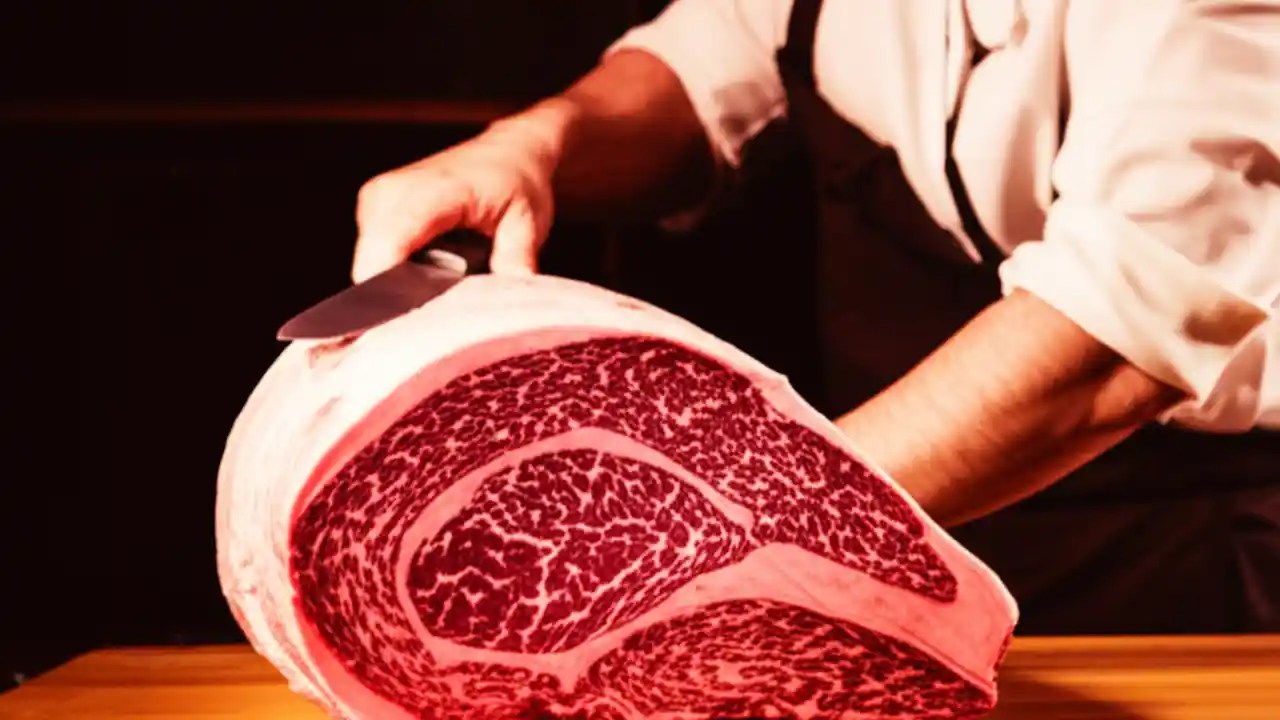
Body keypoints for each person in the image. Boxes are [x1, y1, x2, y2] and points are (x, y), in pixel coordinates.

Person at [350, 1, 1279, 634]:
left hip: (1190, 559)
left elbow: (1123, 326)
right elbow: (725, 49)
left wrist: (708, 527)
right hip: (908, 534)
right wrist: (537, 144)